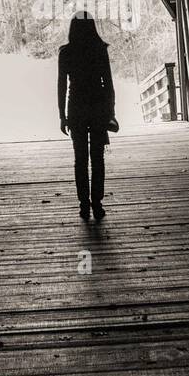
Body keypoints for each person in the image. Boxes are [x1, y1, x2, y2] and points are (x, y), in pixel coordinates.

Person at [57, 12, 116, 221]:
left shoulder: (66, 53)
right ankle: (97, 203)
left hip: (76, 109)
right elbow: (108, 83)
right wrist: (111, 112)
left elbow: (62, 86)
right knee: (97, 158)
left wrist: (61, 116)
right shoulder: (100, 50)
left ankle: (84, 205)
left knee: (80, 159)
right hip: (98, 107)